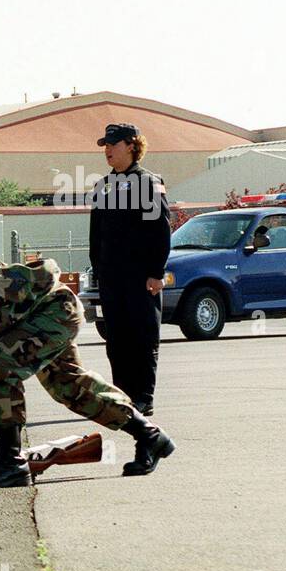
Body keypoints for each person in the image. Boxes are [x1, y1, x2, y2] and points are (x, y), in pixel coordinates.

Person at [0, 257, 175, 490]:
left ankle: (10, 462)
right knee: (69, 387)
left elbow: (46, 272)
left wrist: (24, 299)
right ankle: (150, 436)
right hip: (32, 326)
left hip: (57, 311)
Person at [88, 122, 173, 415]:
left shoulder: (149, 182)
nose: (107, 150)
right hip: (112, 278)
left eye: (113, 144)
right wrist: (97, 270)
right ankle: (121, 397)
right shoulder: (103, 185)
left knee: (143, 337)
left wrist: (157, 271)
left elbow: (161, 231)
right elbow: (96, 233)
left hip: (141, 277)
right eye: (105, 145)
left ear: (132, 145)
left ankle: (143, 397)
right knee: (117, 340)